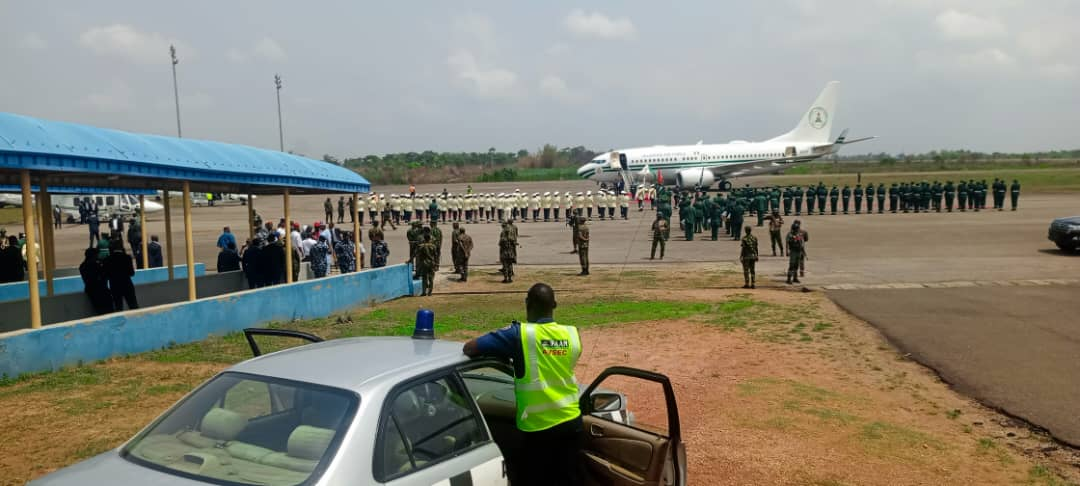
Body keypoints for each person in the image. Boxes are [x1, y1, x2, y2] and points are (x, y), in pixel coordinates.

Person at [462, 283, 584, 486]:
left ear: (527, 304)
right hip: (572, 423)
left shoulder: (519, 335)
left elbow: (470, 348)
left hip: (539, 429)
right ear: (555, 305)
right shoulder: (572, 334)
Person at [104, 240, 138, 310]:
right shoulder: (127, 257)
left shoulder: (107, 259)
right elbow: (131, 273)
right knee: (133, 305)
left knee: (118, 306)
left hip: (114, 285)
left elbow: (106, 275)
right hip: (127, 284)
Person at [80, 247, 113, 315]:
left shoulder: (82, 266)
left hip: (90, 290)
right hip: (100, 290)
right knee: (107, 309)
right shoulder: (95, 265)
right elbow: (103, 276)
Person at [415, 227, 437, 296]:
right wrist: (436, 263)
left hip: (424, 263)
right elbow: (436, 255)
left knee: (424, 278)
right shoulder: (433, 246)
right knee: (431, 278)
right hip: (431, 263)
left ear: (424, 239)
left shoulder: (421, 246)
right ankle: (430, 292)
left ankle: (424, 292)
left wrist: (409, 260)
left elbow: (416, 254)